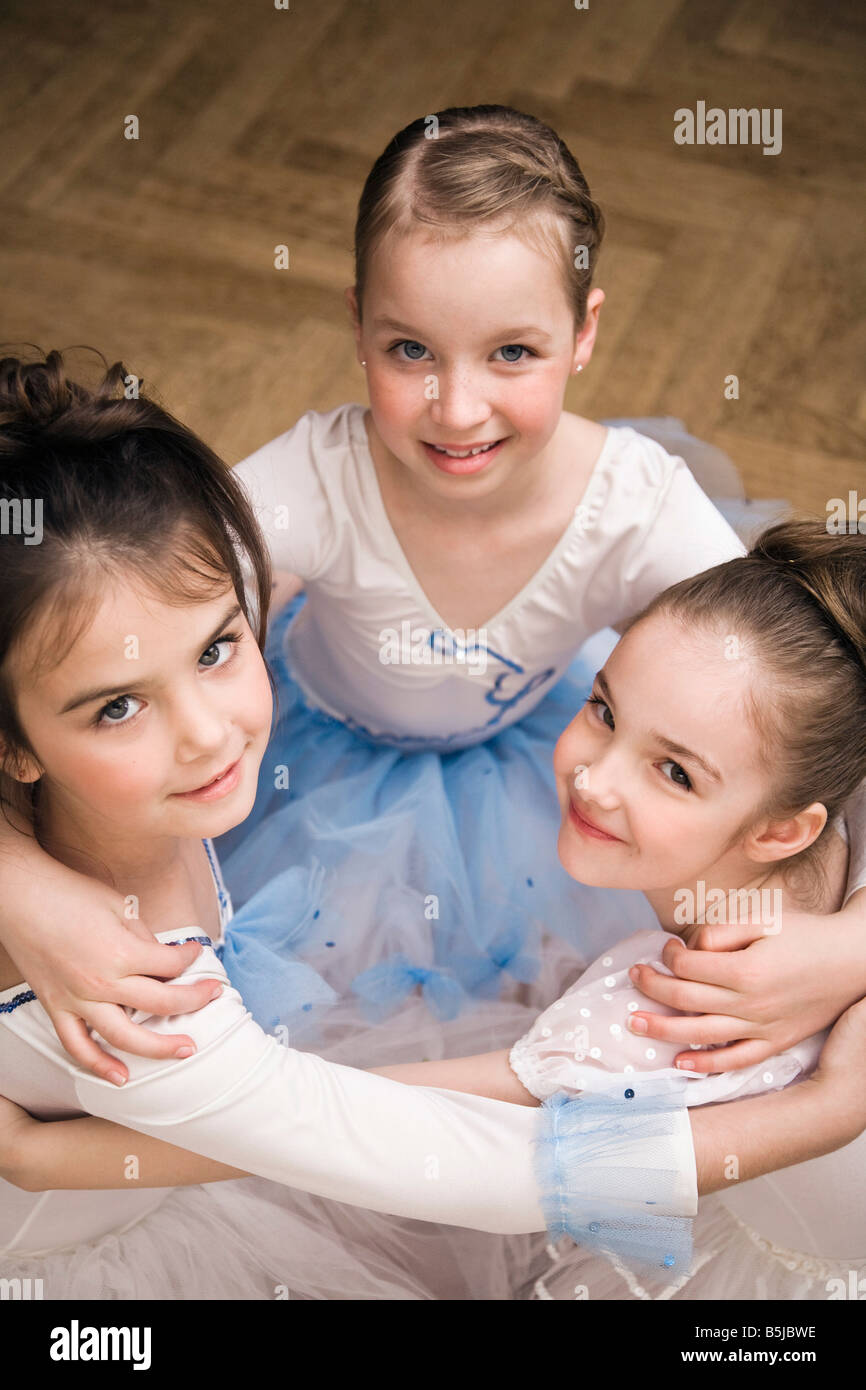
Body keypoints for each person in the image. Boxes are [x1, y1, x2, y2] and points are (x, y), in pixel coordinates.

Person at [2, 107, 864, 1096]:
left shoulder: (633, 510)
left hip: (553, 772)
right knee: (315, 1025)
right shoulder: (311, 486)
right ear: (355, 323)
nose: (457, 410)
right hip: (312, 777)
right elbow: (62, 652)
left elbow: (827, 712)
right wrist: (20, 887)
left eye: (511, 354)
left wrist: (846, 951)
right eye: (409, 350)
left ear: (583, 334)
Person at [3, 406, 864, 1302]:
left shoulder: (673, 1001)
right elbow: (380, 1136)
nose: (207, 736)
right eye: (118, 707)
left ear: (788, 826)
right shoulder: (132, 997)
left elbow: (457, 1150)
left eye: (219, 648)